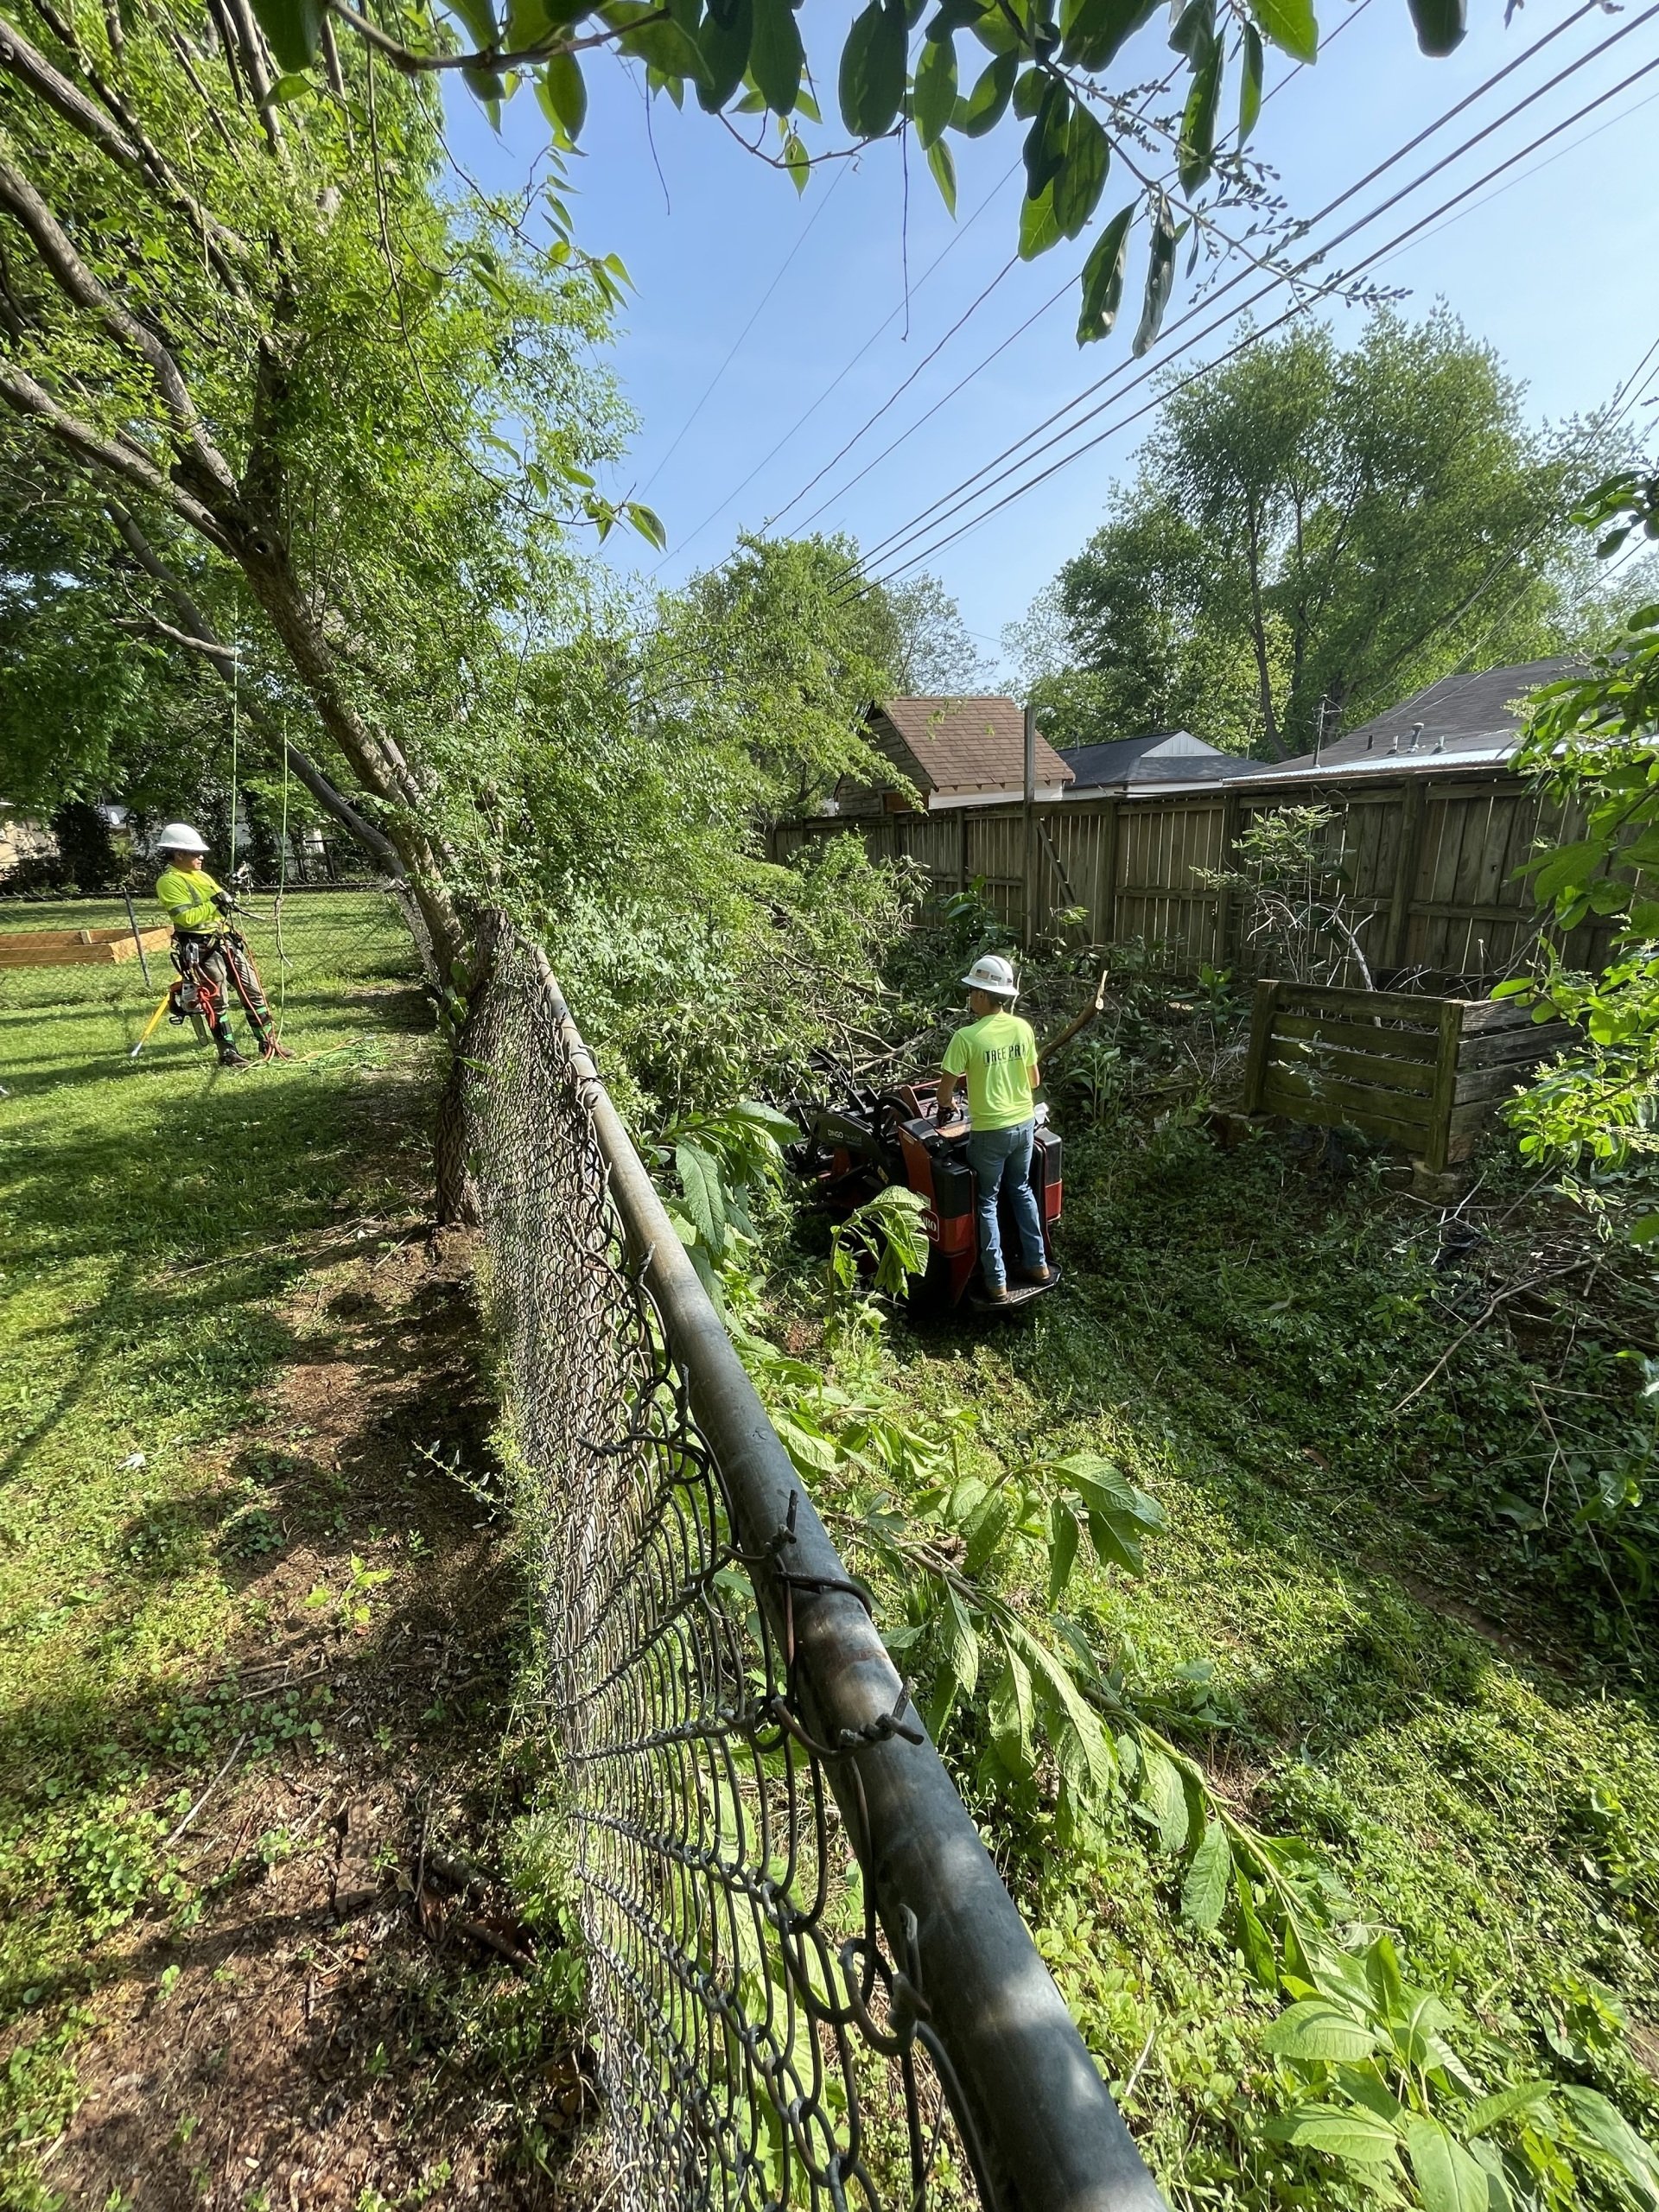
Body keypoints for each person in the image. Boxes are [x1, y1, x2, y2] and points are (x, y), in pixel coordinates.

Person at [936, 954, 1052, 1303]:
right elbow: (1033, 1081)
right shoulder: (1023, 1028)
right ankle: (1038, 1264)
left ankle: (996, 1281)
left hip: (990, 1133)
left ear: (985, 996)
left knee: (986, 1200)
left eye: (973, 991)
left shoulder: (966, 1038)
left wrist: (949, 1104)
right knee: (1021, 1189)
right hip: (1024, 1126)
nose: (970, 997)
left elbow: (944, 1092)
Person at [153, 823, 271, 1070]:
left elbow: (223, 904)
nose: (201, 857)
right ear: (179, 855)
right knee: (217, 1000)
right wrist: (217, 903)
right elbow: (185, 918)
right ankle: (228, 1052)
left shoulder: (202, 876)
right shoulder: (169, 882)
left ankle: (268, 1043)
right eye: (195, 853)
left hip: (225, 941)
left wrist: (229, 894)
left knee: (253, 990)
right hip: (201, 946)